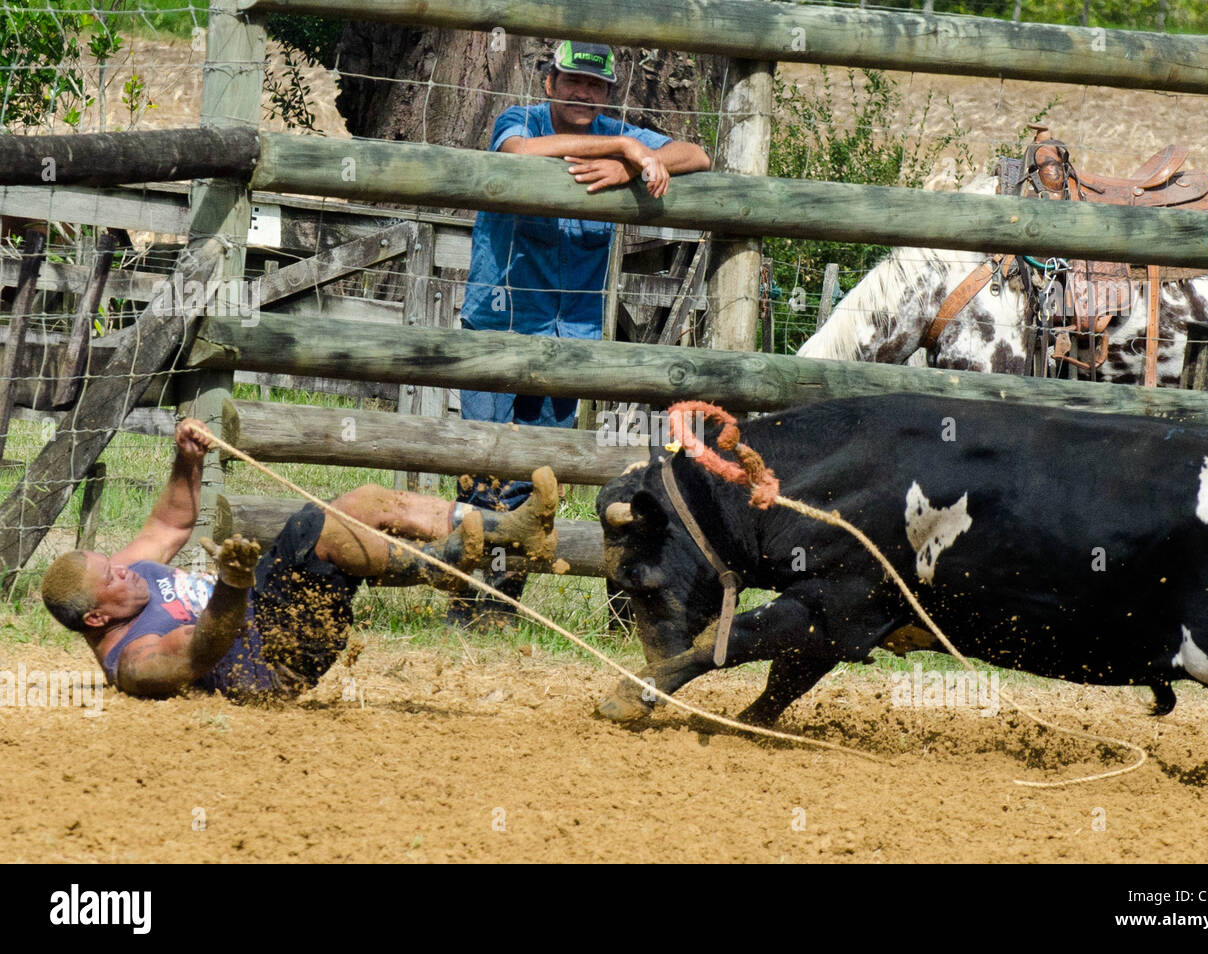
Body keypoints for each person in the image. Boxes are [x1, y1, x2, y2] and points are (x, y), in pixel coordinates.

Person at [454, 39, 711, 619]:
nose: (583, 93)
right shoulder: (519, 119)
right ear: (549, 83)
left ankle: (499, 602)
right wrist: (622, 146)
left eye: (595, 86)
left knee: (537, 473)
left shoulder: (616, 132)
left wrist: (633, 163)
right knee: (482, 462)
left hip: (571, 334)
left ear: (606, 93)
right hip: (503, 319)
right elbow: (519, 154)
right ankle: (467, 594)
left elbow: (697, 153)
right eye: (573, 81)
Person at [39, 419, 558, 700]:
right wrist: (232, 585)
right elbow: (199, 653)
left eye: (114, 561)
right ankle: (438, 568)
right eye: (110, 575)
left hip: (262, 608)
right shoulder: (132, 660)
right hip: (269, 660)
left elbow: (169, 524)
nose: (123, 567)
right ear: (96, 617)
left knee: (364, 501)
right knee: (318, 531)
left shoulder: (132, 582)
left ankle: (506, 530)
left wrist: (188, 459)